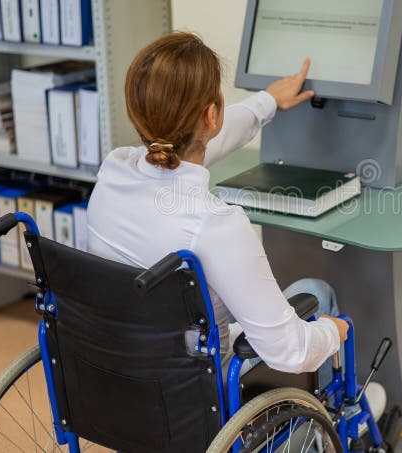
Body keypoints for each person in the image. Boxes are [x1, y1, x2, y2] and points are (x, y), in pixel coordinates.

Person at [86, 31, 350, 375]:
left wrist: (267, 101)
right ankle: (333, 418)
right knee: (318, 293)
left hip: (119, 375)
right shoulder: (214, 224)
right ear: (212, 115)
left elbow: (198, 146)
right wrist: (335, 330)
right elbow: (291, 351)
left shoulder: (114, 171)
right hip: (201, 391)